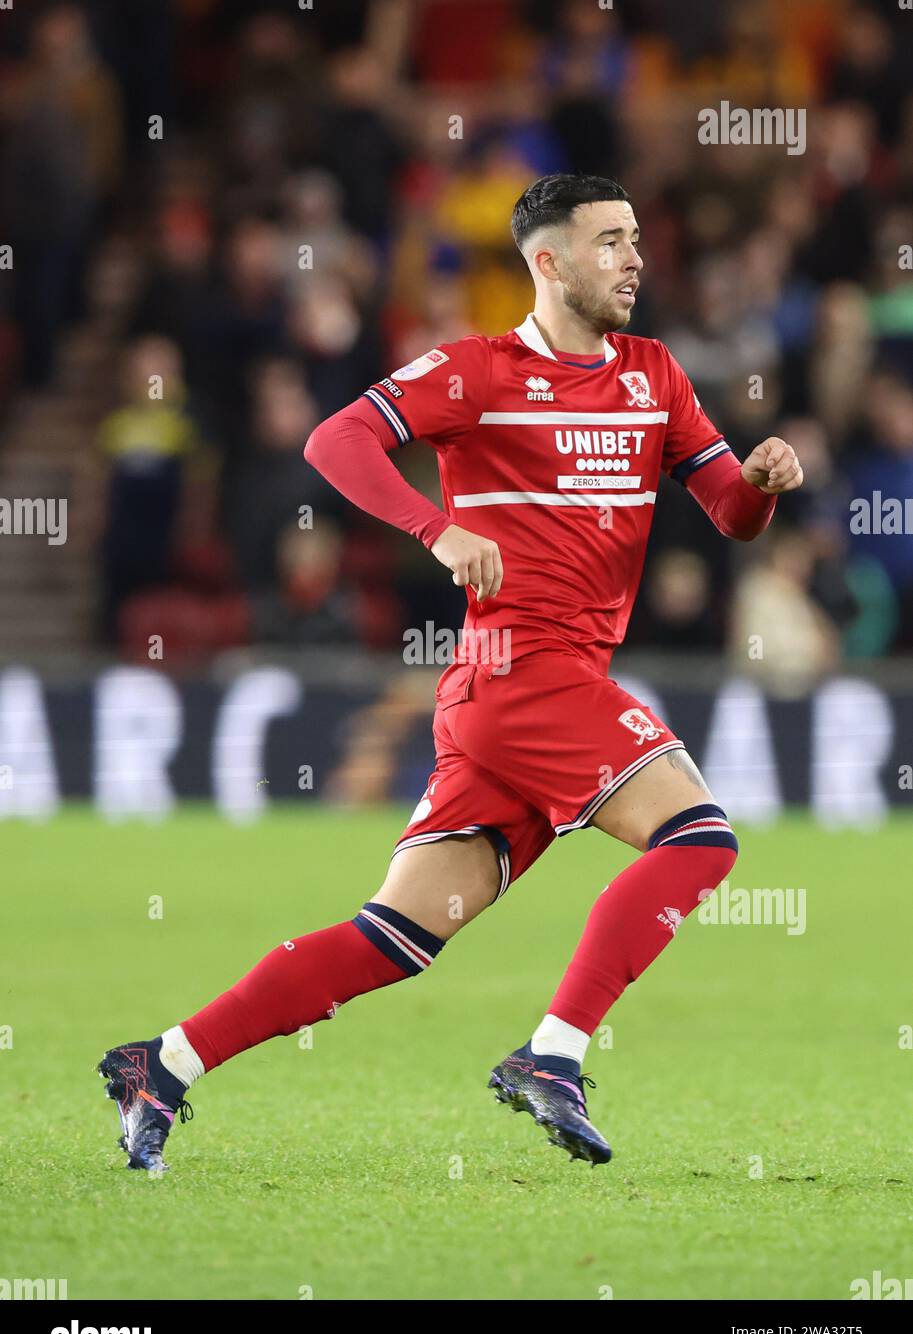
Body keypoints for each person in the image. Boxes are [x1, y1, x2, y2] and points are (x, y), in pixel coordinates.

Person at [98, 174, 803, 1172]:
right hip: (524, 673)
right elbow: (333, 438)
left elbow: (729, 509)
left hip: (507, 697)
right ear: (547, 260)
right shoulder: (477, 372)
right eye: (610, 241)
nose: (635, 258)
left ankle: (162, 1063)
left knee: (393, 937)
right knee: (700, 838)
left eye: (638, 238)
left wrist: (764, 487)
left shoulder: (655, 375)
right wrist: (436, 528)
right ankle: (553, 1054)